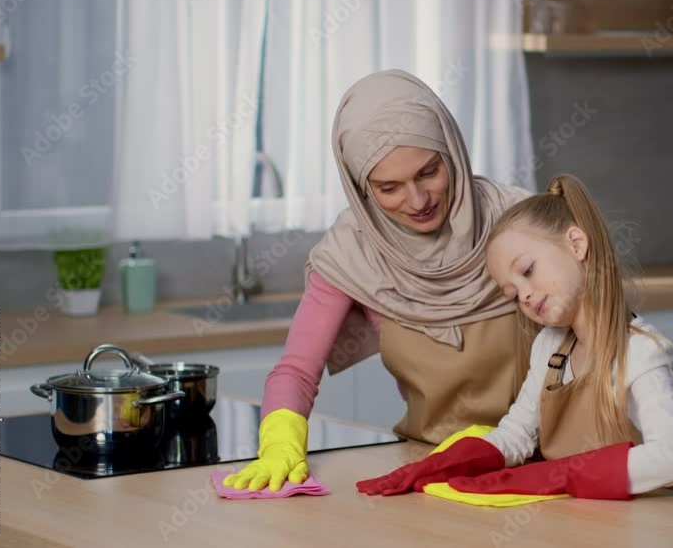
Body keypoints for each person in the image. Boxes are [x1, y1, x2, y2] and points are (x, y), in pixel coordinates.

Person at [223, 70, 532, 493]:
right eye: (389, 187)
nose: (418, 200)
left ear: (453, 152)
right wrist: (280, 444)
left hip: (541, 463)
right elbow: (296, 371)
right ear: (361, 188)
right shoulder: (352, 253)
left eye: (429, 172)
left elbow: (599, 344)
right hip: (432, 471)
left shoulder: (522, 222)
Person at [357, 174, 673, 500]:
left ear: (576, 244)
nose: (525, 296)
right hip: (599, 518)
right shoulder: (550, 347)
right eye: (512, 294)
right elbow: (517, 434)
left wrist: (556, 475)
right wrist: (442, 466)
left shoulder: (643, 352)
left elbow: (670, 459)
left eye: (527, 270)